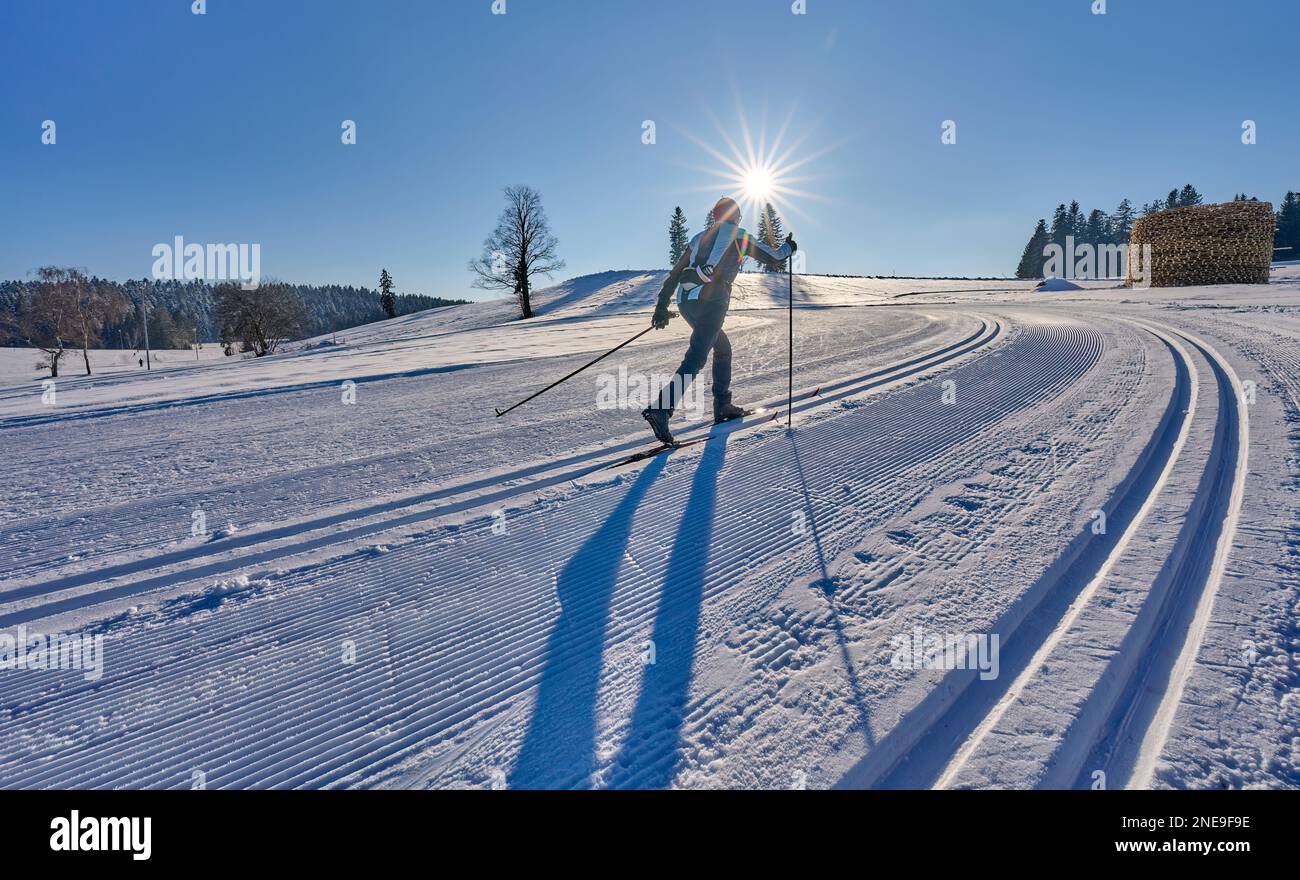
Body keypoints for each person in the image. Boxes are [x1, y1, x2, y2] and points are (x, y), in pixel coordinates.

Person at [641, 196, 795, 445]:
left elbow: (675, 274)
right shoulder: (738, 235)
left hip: (687, 301)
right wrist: (790, 248)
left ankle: (723, 405)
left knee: (722, 348)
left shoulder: (697, 238)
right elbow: (775, 258)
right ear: (734, 216)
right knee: (697, 356)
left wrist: (661, 307)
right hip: (713, 301)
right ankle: (661, 409)